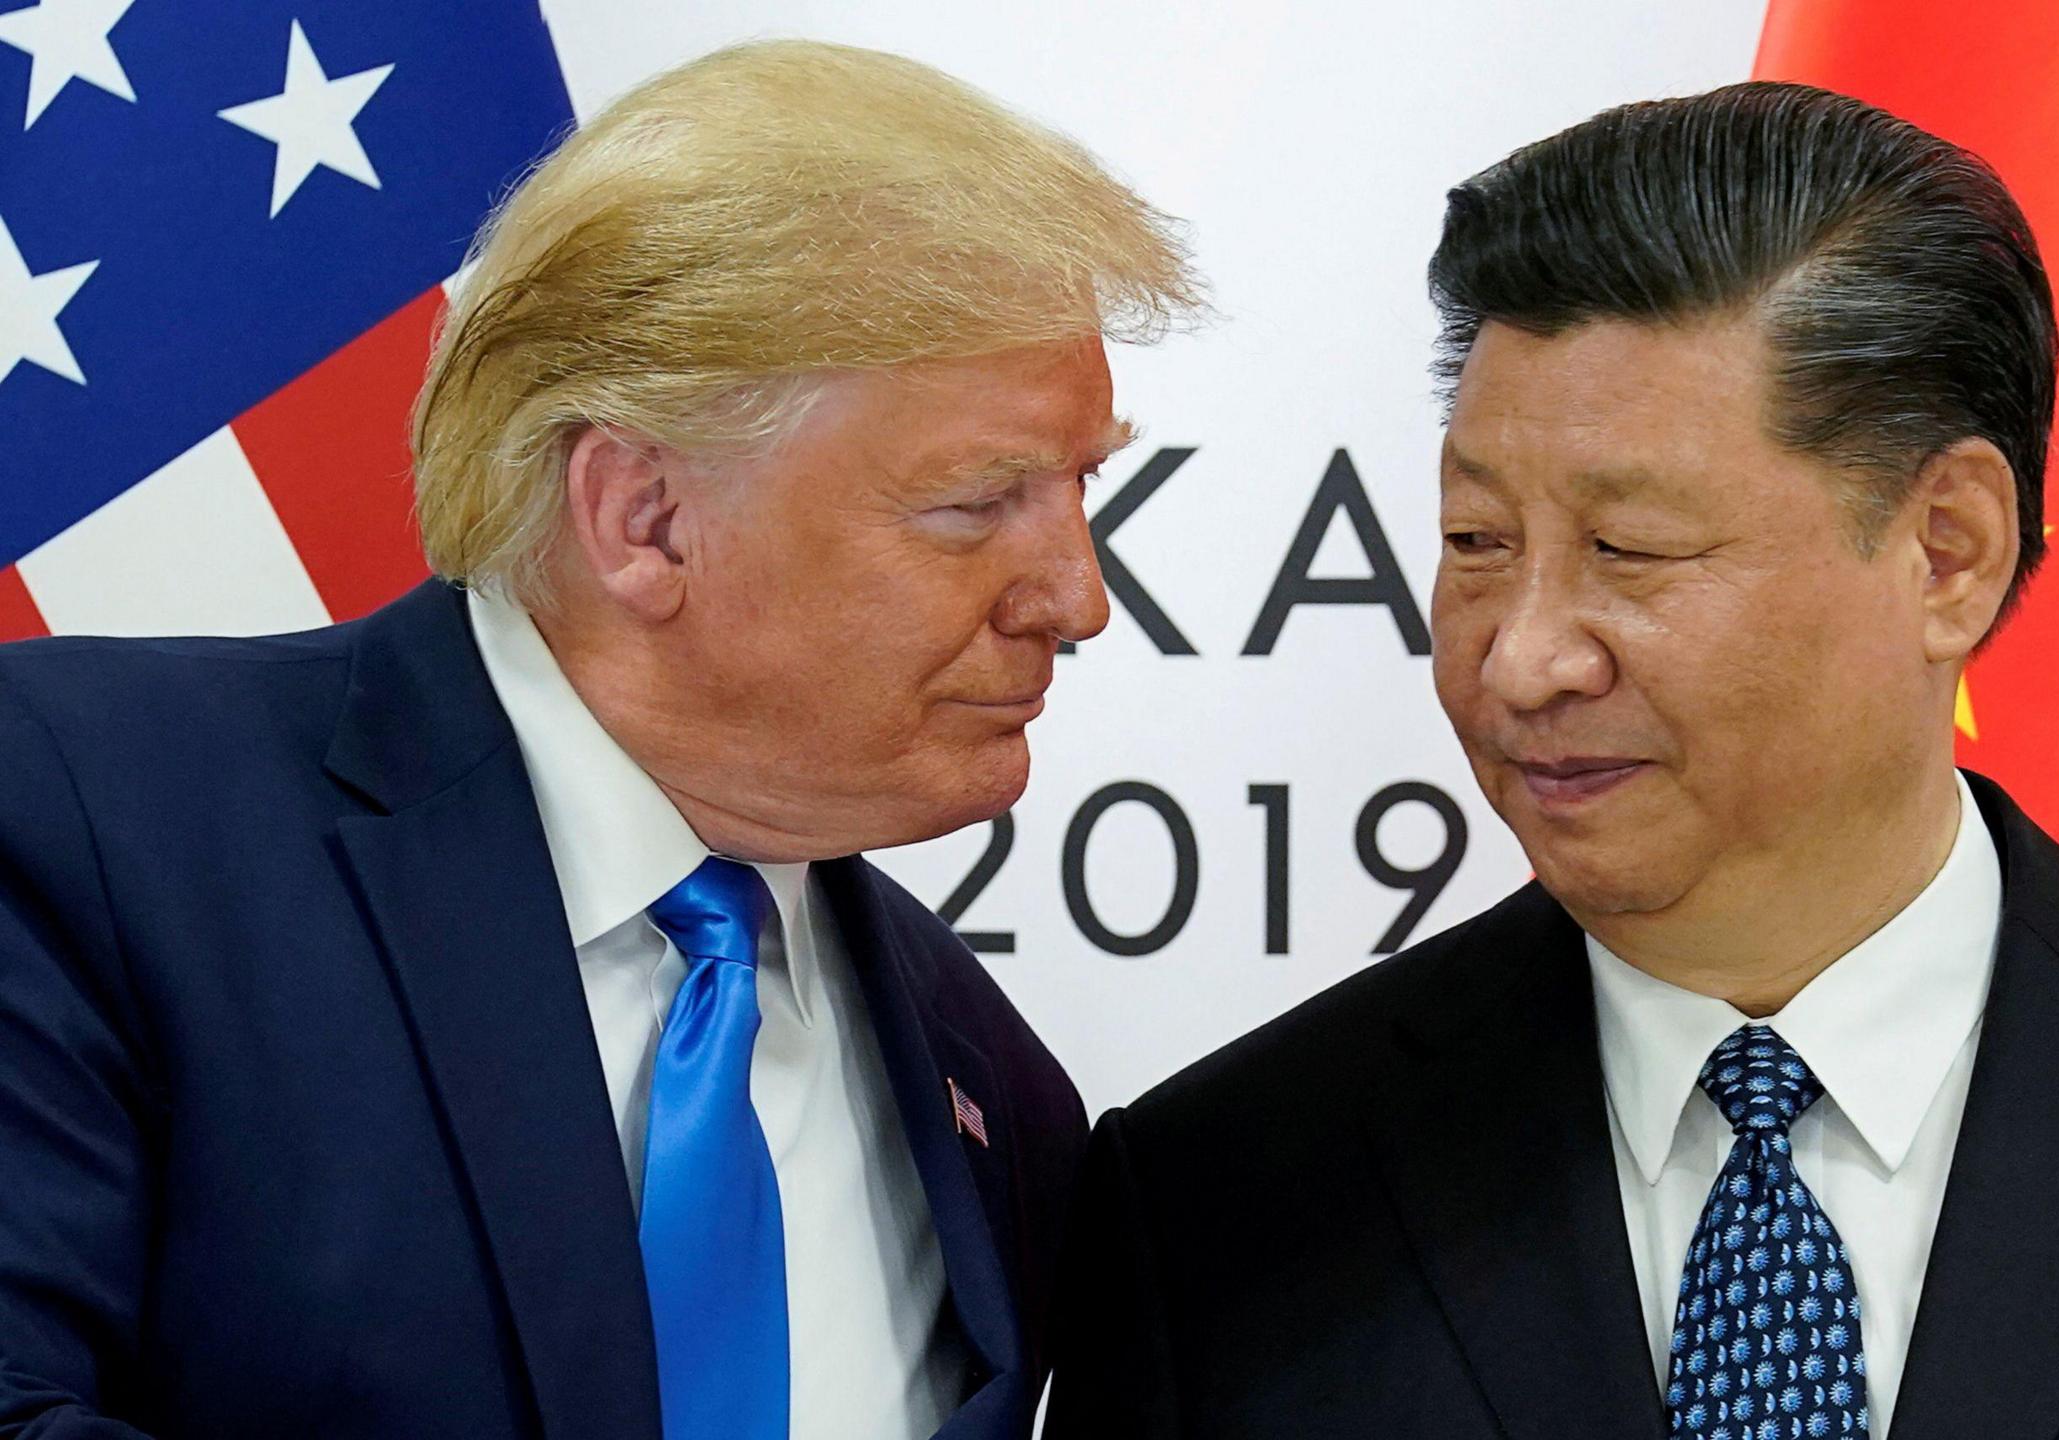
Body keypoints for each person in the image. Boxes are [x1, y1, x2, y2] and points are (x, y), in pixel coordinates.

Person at [1043, 81, 2059, 1439]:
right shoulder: (1223, 1200)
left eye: (1631, 550)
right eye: (1477, 546)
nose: (1522, 659)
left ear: (1948, 552)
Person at [0, 40, 1197, 1440]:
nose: (1081, 598)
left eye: (1080, 487)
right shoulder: (85, 826)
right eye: (978, 502)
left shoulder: (994, 1082)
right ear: (644, 518)